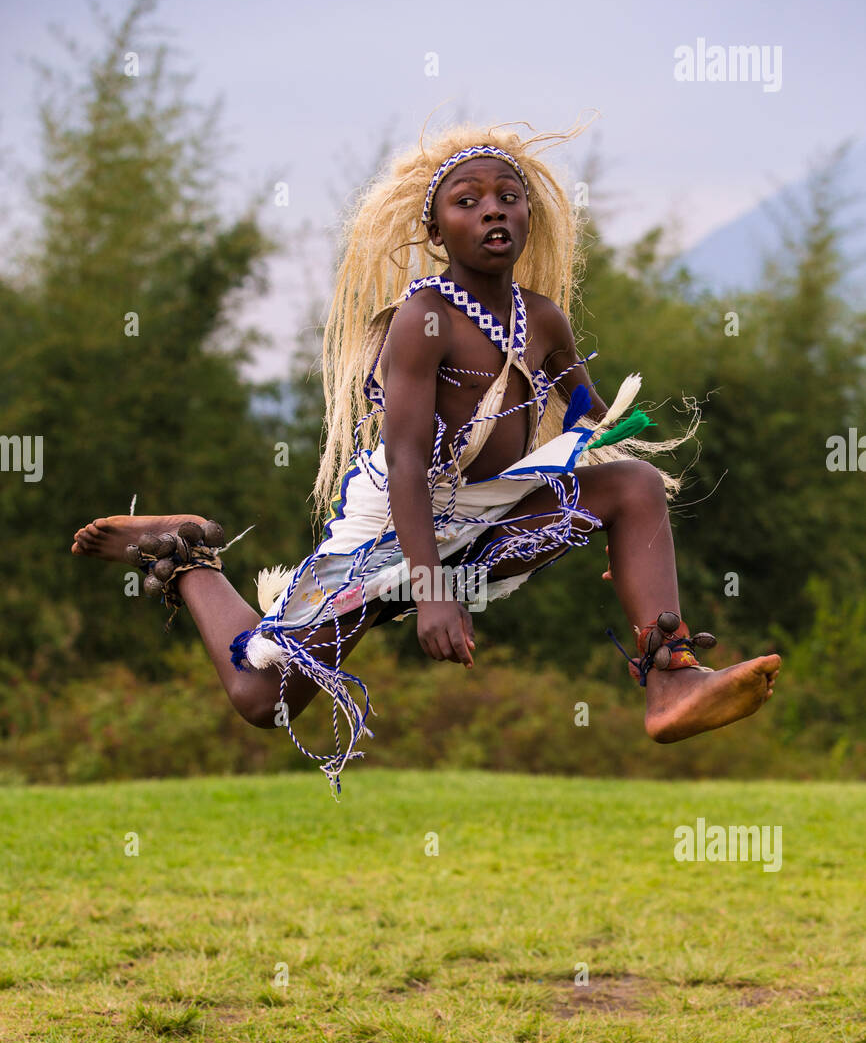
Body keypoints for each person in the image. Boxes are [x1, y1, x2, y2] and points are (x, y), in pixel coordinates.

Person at [71, 118, 780, 794]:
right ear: (436, 230)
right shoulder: (423, 320)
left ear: (530, 217)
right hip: (399, 529)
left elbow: (590, 418)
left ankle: (672, 675)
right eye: (467, 202)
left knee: (631, 487)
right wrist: (433, 589)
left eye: (508, 198)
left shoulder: (544, 319)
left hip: (490, 510)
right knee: (266, 701)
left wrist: (620, 530)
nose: (492, 212)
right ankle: (188, 559)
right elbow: (406, 461)